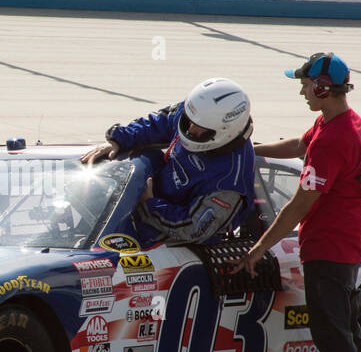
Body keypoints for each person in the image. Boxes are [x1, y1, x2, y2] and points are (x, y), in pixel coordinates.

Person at [230, 53, 361, 352]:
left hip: (329, 248)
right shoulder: (342, 120)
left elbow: (298, 205)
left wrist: (259, 248)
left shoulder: (334, 138)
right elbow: (300, 144)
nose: (301, 91)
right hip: (344, 244)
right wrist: (252, 150)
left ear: (324, 88)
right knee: (347, 332)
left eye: (305, 84)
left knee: (333, 336)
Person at [81, 78, 256, 245]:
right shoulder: (197, 112)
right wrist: (119, 140)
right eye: (189, 120)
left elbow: (194, 229)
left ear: (226, 131)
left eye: (199, 127)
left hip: (176, 241)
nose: (190, 128)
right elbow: (158, 123)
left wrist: (150, 204)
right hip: (148, 199)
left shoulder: (230, 181)